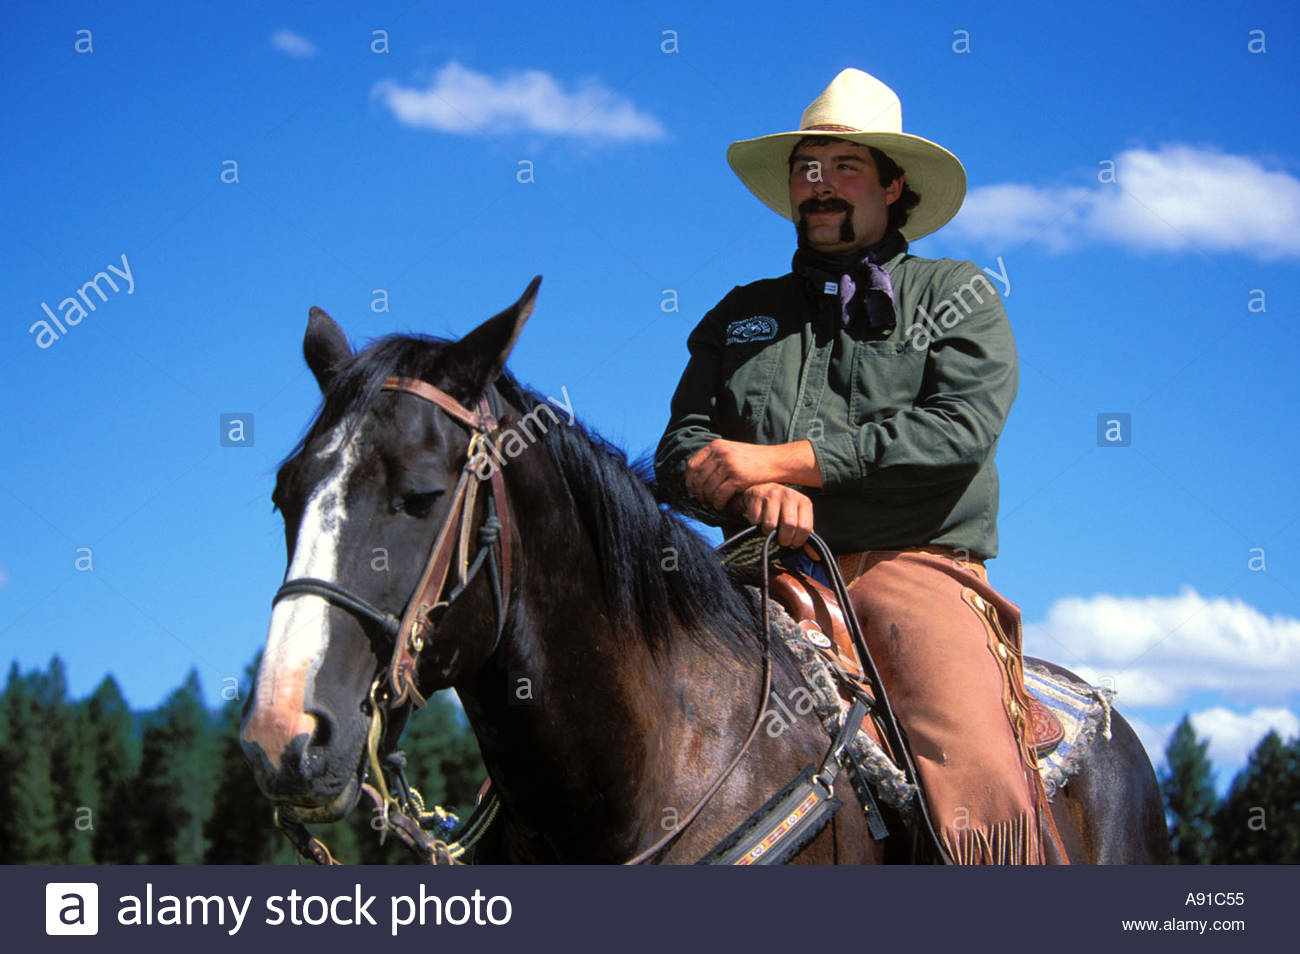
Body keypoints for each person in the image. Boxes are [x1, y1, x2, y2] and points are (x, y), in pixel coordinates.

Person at [655, 68, 1065, 864]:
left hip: (911, 566)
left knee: (977, 779)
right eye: (808, 168)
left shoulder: (959, 293)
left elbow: (958, 430)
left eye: (845, 167)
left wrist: (787, 461)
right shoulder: (740, 313)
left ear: (893, 183)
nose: (822, 185)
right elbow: (681, 450)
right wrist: (753, 492)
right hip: (750, 564)